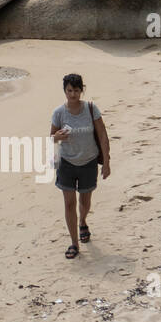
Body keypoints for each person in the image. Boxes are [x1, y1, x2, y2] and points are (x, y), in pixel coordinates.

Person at [50, 73, 110, 259]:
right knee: (69, 204)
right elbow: (51, 138)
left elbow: (102, 135)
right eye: (69, 90)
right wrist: (57, 137)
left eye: (76, 90)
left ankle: (82, 221)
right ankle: (74, 244)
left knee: (85, 203)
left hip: (89, 162)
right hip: (66, 163)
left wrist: (106, 162)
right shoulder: (59, 112)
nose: (73, 94)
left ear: (81, 90)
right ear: (64, 91)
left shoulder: (91, 109)